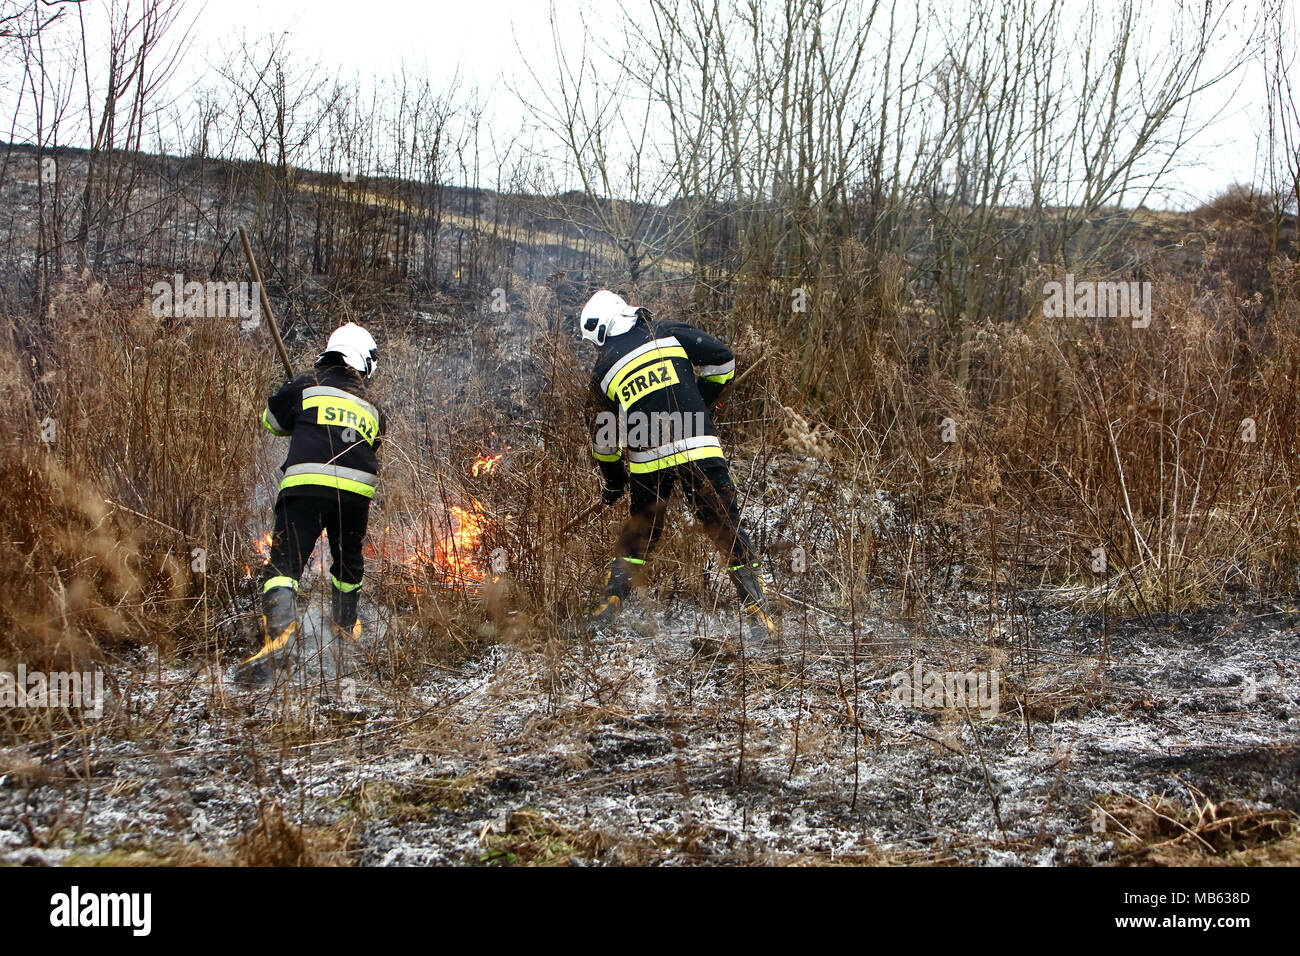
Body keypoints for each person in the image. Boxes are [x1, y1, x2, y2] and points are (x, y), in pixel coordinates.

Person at [581, 290, 773, 635]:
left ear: (601, 331)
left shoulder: (602, 372)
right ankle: (757, 610)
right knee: (723, 525)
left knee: (641, 533)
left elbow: (605, 440)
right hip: (697, 445)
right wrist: (703, 400)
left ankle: (611, 600)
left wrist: (613, 482)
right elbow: (723, 360)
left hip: (648, 458)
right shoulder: (667, 331)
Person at [236, 322, 386, 684]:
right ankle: (346, 627)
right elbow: (373, 444)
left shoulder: (304, 383)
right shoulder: (374, 407)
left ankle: (281, 635)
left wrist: (302, 415)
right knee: (348, 562)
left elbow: (272, 422)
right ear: (363, 362)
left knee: (285, 563)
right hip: (355, 495)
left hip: (305, 487)